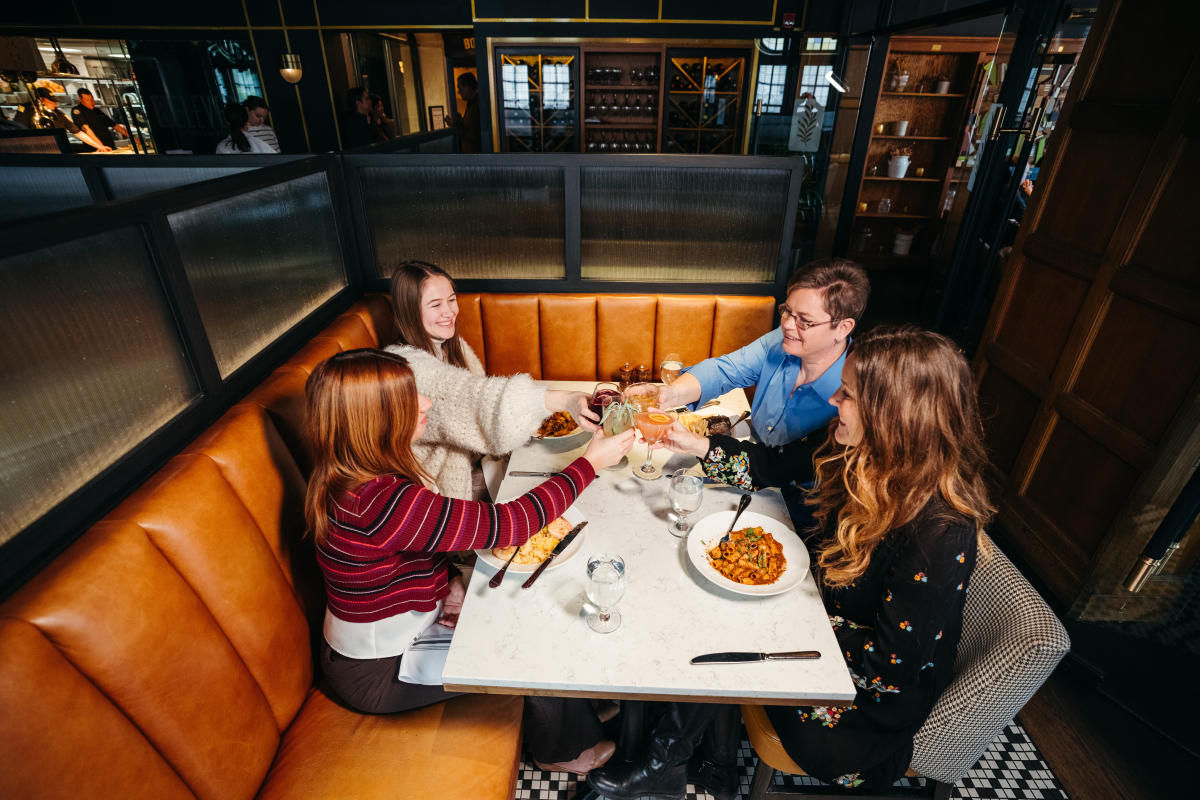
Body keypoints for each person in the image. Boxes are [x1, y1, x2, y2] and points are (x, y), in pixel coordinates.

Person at [587, 326, 993, 799]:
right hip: (824, 630)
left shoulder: (941, 533)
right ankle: (704, 756)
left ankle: (665, 762)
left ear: (895, 415)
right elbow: (771, 466)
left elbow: (888, 671)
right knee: (713, 598)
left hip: (856, 714)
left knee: (727, 617)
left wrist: (783, 618)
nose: (836, 400)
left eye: (850, 394)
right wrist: (692, 443)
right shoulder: (857, 451)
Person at [305, 348, 634, 774]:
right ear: (374, 420)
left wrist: (448, 587)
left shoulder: (348, 475)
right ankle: (560, 753)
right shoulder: (380, 501)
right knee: (528, 651)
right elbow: (510, 524)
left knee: (517, 610)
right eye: (409, 399)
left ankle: (576, 712)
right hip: (378, 672)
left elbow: (401, 559)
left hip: (388, 639)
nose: (426, 403)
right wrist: (588, 463)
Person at [384, 260, 599, 500]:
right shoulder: (404, 366)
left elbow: (484, 398)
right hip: (438, 490)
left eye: (452, 300)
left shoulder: (451, 346)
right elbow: (476, 398)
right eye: (435, 305)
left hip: (477, 461)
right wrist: (564, 399)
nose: (449, 312)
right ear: (409, 310)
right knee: (556, 491)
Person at [14, 87, 109, 151]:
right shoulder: (26, 110)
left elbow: (77, 132)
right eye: (51, 101)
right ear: (41, 100)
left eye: (55, 101)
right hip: (37, 150)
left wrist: (99, 146)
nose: (55, 104)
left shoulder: (57, 113)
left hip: (59, 148)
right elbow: (18, 132)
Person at [451, 71, 481, 153]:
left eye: (460, 88)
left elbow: (472, 135)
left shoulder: (477, 105)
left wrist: (455, 124)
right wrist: (460, 121)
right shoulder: (471, 104)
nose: (459, 92)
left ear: (468, 87)